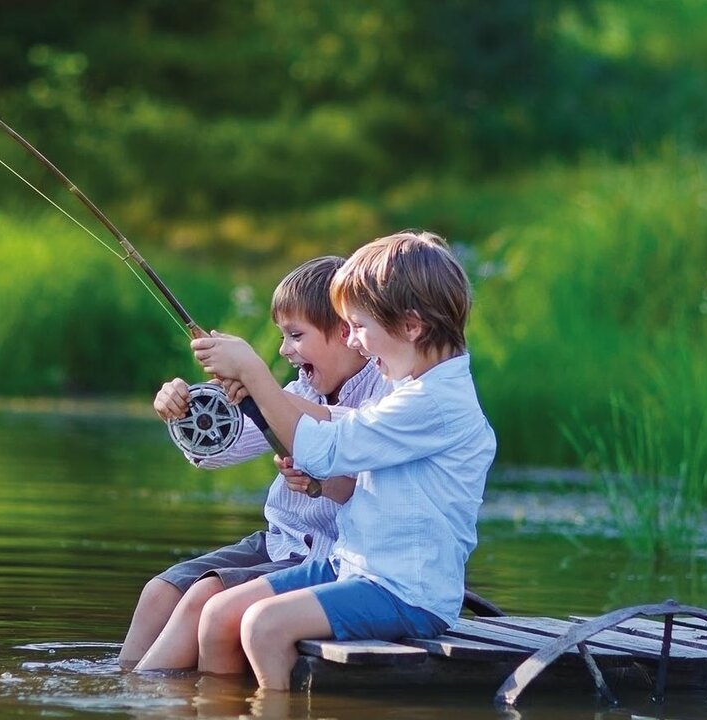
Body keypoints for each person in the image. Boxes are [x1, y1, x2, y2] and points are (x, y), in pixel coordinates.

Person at [190, 230, 496, 690]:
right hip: (351, 567)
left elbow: (325, 449)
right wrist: (260, 395)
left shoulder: (435, 402)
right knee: (219, 613)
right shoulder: (409, 387)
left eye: (358, 327)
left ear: (411, 326)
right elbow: (343, 453)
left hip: (404, 591)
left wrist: (254, 373)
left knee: (263, 626)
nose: (352, 341)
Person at [119, 256, 389, 671]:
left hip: (329, 558)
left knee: (202, 598)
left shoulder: (385, 392)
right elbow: (218, 452)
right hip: (278, 542)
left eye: (296, 335)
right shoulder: (300, 390)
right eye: (282, 336)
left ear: (344, 331)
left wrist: (259, 383)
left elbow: (349, 431)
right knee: (160, 592)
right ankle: (124, 686)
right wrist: (186, 410)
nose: (284, 349)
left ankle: (145, 695)